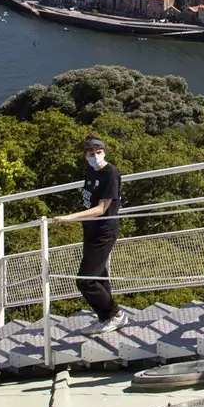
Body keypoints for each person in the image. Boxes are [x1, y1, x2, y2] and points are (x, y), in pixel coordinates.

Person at [51, 135, 126, 333]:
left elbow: (101, 208)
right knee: (99, 276)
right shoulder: (91, 171)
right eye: (91, 153)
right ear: (85, 156)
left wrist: (70, 217)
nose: (95, 156)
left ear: (105, 152)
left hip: (104, 231)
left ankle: (115, 314)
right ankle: (106, 317)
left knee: (85, 280)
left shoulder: (110, 173)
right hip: (91, 230)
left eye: (98, 152)